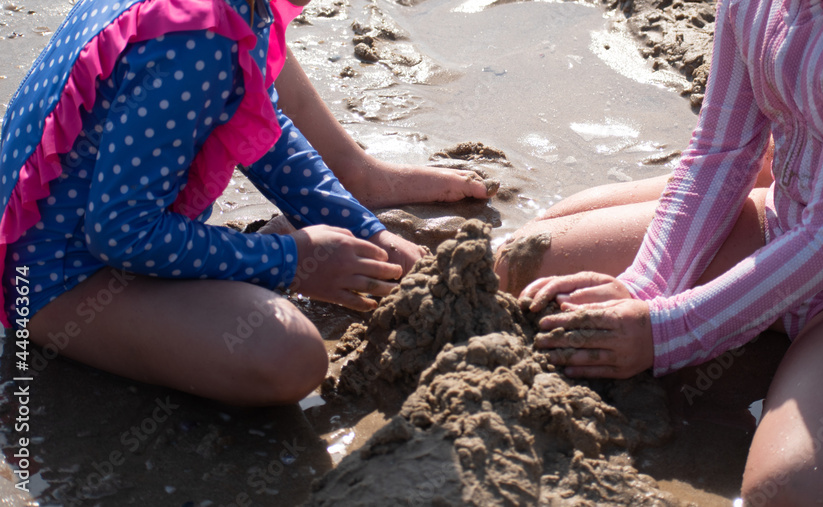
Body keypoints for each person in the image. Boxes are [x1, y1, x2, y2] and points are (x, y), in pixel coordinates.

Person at [504, 0, 823, 504]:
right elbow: (721, 150)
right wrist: (644, 286)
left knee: (791, 493)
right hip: (789, 223)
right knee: (520, 265)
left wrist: (663, 330)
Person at [1, 0, 489, 406]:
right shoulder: (199, 46)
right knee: (289, 355)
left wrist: (365, 229)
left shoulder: (226, 17)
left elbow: (258, 118)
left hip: (74, 222)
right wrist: (291, 262)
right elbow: (120, 233)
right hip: (54, 279)